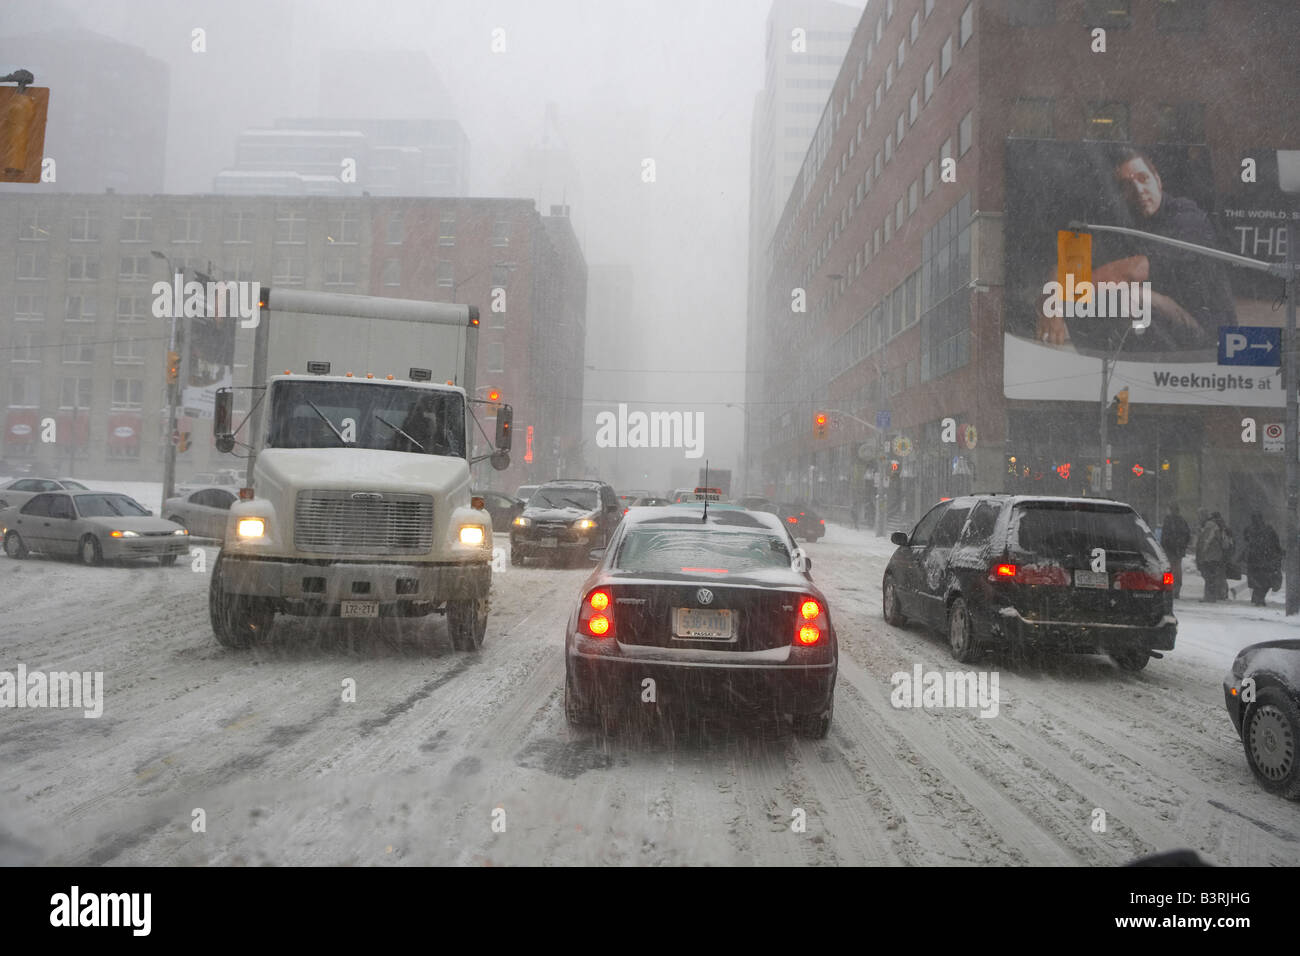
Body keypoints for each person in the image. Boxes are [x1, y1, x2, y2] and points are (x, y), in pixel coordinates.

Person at [1038, 148, 1236, 351]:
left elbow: (1133, 270)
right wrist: (1053, 301)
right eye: (1127, 185)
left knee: (1124, 296)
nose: (1139, 190)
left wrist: (1065, 296)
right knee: (1096, 299)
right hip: (1161, 326)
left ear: (1157, 180)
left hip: (1209, 339)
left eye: (1143, 179)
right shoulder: (1122, 218)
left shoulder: (1187, 217)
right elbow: (1069, 260)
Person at [1242, 512, 1282, 607]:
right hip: (1265, 559)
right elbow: (1276, 543)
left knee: (1257, 580)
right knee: (1265, 580)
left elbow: (1246, 540)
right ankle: (1259, 598)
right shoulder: (1268, 529)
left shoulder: (1249, 529)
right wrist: (1278, 552)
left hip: (1255, 560)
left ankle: (1257, 598)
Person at [1196, 510, 1227, 603]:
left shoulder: (1209, 525)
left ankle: (1209, 596)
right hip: (1216, 554)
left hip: (1210, 555)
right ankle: (1214, 595)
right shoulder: (1217, 525)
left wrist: (1202, 553)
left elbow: (1206, 541)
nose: (1199, 519)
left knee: (1209, 576)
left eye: (1199, 517)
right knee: (1213, 575)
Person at [1161, 503, 1191, 599]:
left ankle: (1168, 588)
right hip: (1179, 550)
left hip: (1169, 549)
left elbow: (1164, 535)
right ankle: (1177, 588)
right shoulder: (1182, 521)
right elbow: (1188, 535)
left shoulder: (1168, 520)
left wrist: (1163, 546)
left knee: (1168, 569)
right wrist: (1182, 546)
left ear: (1171, 510)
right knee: (1177, 569)